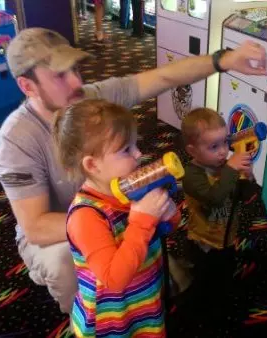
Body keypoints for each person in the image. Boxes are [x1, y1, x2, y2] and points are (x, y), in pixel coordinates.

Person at [0, 27, 267, 315]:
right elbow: (36, 226)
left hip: (112, 205)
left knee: (161, 275)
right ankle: (82, 315)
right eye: (60, 75)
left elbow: (161, 78)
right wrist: (119, 223)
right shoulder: (15, 141)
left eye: (74, 68)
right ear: (27, 86)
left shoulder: (90, 103)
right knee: (67, 263)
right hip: (62, 229)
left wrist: (222, 60)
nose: (77, 81)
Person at [52, 99, 181, 336]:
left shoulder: (131, 189)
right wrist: (142, 221)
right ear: (92, 165)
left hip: (144, 300)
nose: (139, 153)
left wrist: (169, 213)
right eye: (126, 150)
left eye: (135, 144)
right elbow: (114, 278)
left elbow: (164, 229)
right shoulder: (86, 216)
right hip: (111, 320)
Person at [180, 107, 253, 320]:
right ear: (192, 151)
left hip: (227, 236)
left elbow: (244, 196)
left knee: (224, 273)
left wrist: (248, 178)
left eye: (224, 143)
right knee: (204, 280)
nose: (223, 152)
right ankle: (203, 313)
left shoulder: (224, 168)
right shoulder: (192, 175)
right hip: (204, 241)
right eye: (214, 147)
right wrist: (231, 170)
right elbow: (214, 198)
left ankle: (223, 300)